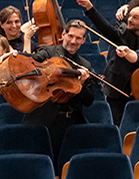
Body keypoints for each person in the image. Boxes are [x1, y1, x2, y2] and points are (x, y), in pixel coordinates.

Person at [76, 0, 139, 123]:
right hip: (117, 89)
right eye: (129, 16)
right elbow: (104, 27)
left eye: (135, 17)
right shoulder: (122, 33)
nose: (129, 19)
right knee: (118, 122)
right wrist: (89, 7)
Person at [23, 19, 96, 157]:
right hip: (45, 119)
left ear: (83, 40)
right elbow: (31, 62)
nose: (73, 41)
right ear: (63, 34)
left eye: (78, 38)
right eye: (70, 36)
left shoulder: (84, 65)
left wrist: (81, 85)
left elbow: (88, 101)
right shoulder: (48, 52)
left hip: (71, 122)